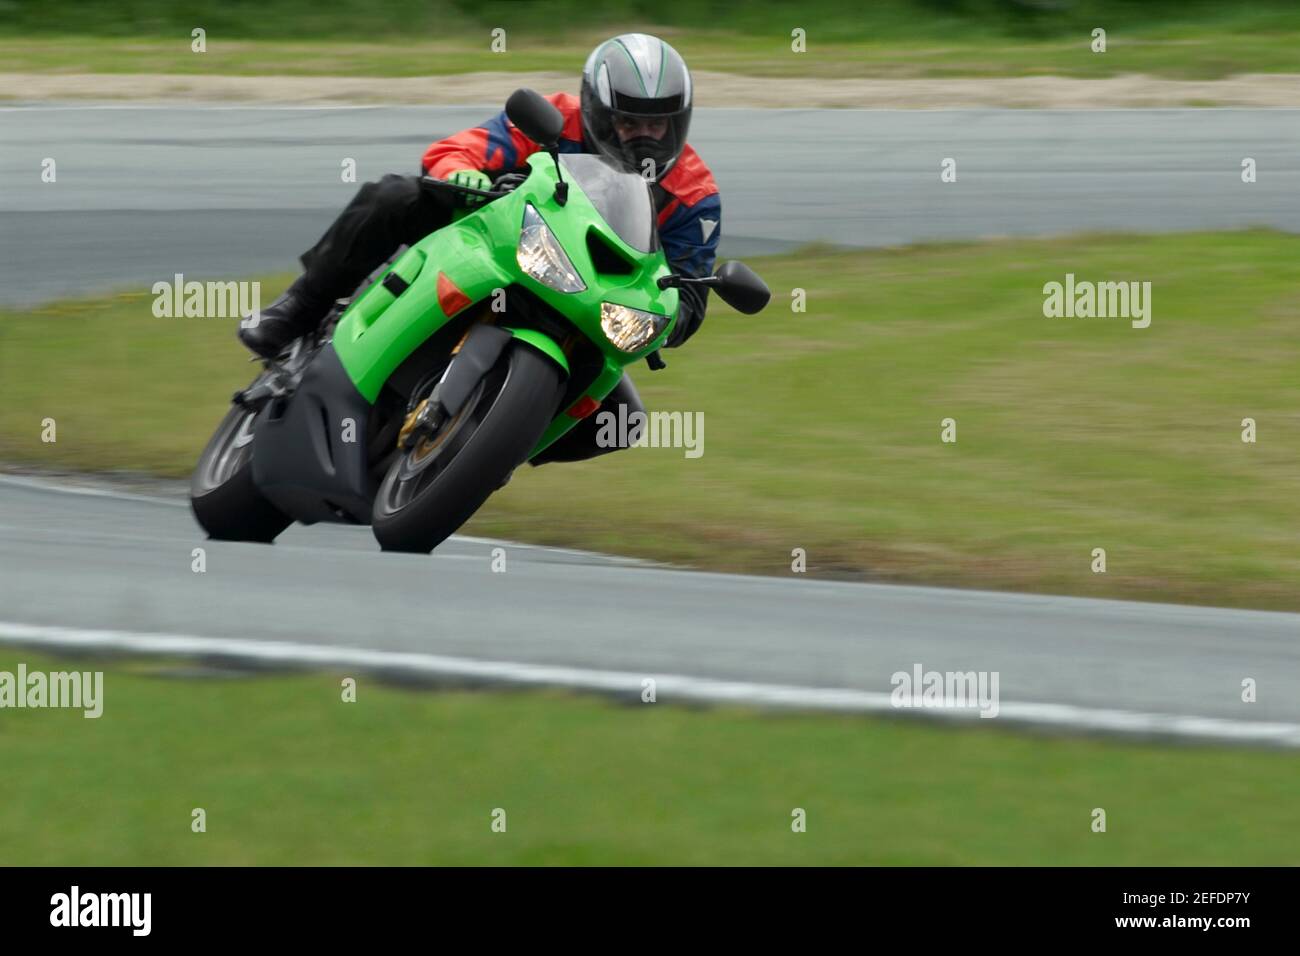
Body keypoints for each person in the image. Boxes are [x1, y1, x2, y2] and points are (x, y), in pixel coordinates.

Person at [239, 33, 720, 463]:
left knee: (623, 421)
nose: (644, 136)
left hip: (584, 299)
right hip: (499, 239)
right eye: (628, 123)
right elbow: (464, 148)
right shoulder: (553, 120)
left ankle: (490, 452)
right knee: (394, 196)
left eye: (657, 126)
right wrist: (459, 174)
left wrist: (664, 318)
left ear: (679, 122)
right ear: (596, 110)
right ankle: (300, 309)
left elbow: (688, 291)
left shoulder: (695, 195)